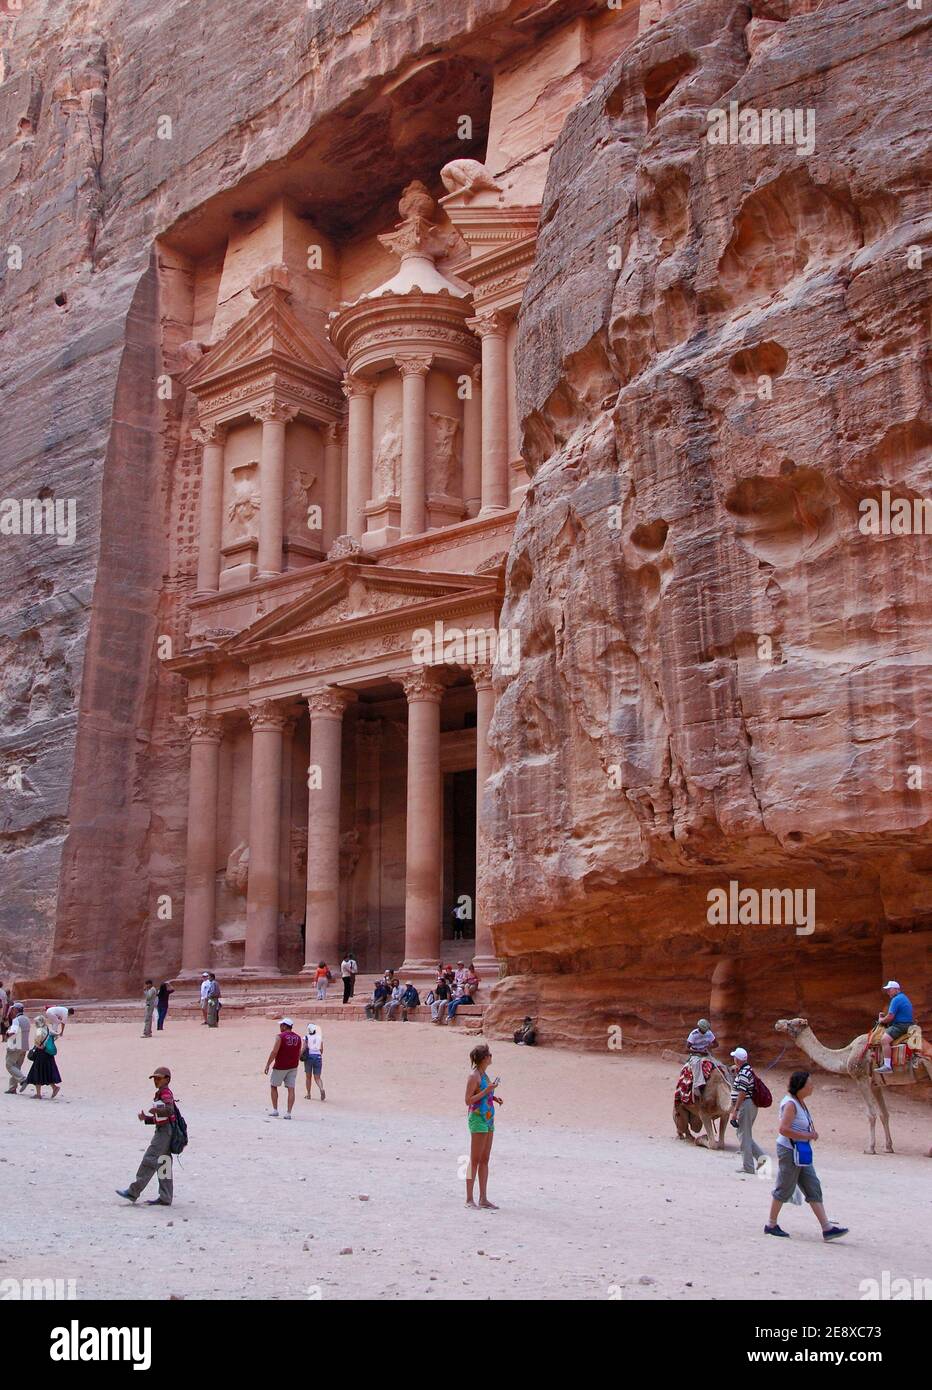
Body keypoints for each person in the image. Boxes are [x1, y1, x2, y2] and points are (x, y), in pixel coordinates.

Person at [764, 1070, 848, 1241]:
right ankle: (771, 1224)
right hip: (789, 1150)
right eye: (809, 1084)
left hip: (800, 1152)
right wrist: (808, 1136)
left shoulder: (799, 1102)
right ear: (801, 1086)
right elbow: (783, 1129)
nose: (812, 1087)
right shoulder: (790, 1104)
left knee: (812, 1186)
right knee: (785, 1187)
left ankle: (827, 1228)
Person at [116, 1067, 177, 1206]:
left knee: (150, 1159)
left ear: (167, 1079)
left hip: (164, 1133)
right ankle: (166, 1197)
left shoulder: (165, 1093)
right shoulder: (163, 1092)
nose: (155, 1081)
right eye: (154, 1078)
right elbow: (165, 1117)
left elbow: (169, 1110)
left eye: (158, 1078)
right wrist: (147, 1118)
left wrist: (156, 1110)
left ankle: (133, 1191)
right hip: (168, 1131)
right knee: (164, 1162)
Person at [464, 1043, 502, 1209]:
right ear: (484, 1058)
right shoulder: (474, 1076)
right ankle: (469, 1199)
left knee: (485, 1159)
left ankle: (483, 1198)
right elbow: (468, 1100)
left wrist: (494, 1097)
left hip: (488, 1118)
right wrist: (487, 1092)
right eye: (489, 1055)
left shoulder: (484, 1075)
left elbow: (482, 1094)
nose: (491, 1057)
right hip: (478, 1119)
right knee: (474, 1159)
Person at [729, 1046, 767, 1175]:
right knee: (746, 1135)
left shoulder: (744, 1073)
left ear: (738, 1060)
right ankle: (762, 1160)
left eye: (735, 1057)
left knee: (743, 1136)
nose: (733, 1059)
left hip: (745, 1105)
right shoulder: (746, 1070)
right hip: (748, 1105)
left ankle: (748, 1167)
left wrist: (736, 1110)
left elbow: (742, 1093)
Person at [264, 1018, 302, 1118]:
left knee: (273, 1086)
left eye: (281, 1025)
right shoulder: (298, 1037)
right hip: (293, 1066)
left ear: (285, 1026)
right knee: (291, 1089)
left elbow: (274, 1051)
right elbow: (298, 1052)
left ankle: (275, 1110)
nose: (280, 1027)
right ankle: (288, 1113)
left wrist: (268, 1064)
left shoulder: (280, 1037)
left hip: (280, 1066)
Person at [875, 980, 914, 1073]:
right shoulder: (903, 997)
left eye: (889, 989)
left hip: (900, 1026)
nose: (888, 992)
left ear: (896, 989)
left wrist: (881, 1020)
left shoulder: (896, 999)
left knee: (884, 1040)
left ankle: (887, 1066)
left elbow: (890, 1016)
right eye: (887, 990)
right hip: (908, 1025)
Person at [22, 1014, 61, 1099]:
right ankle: (54, 1087)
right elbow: (57, 1035)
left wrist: (39, 1045)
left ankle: (38, 1094)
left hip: (41, 1054)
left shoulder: (39, 1030)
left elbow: (37, 1041)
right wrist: (48, 1044)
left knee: (37, 1072)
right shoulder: (47, 1028)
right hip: (48, 1053)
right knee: (47, 1071)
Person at [685, 1018, 717, 1097]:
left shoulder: (709, 1033)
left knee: (717, 1065)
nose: (705, 1031)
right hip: (696, 1054)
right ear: (699, 1028)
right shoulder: (694, 1034)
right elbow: (686, 1049)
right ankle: (697, 1085)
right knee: (696, 1064)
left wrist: (709, 1047)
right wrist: (699, 1052)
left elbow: (716, 1044)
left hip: (706, 1053)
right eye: (703, 1030)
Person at [4, 1003, 29, 1093]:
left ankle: (23, 1079)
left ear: (16, 1010)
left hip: (15, 1046)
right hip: (24, 1046)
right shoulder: (27, 1019)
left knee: (9, 1065)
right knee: (17, 1067)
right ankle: (12, 1088)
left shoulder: (16, 1020)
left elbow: (13, 1032)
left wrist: (7, 1034)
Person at [301, 1023, 325, 1101]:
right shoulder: (319, 1038)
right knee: (317, 1077)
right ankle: (321, 1088)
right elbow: (321, 1050)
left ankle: (308, 1094)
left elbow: (304, 1047)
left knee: (308, 1077)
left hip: (309, 1057)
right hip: (318, 1057)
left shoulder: (306, 1037)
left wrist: (300, 1054)